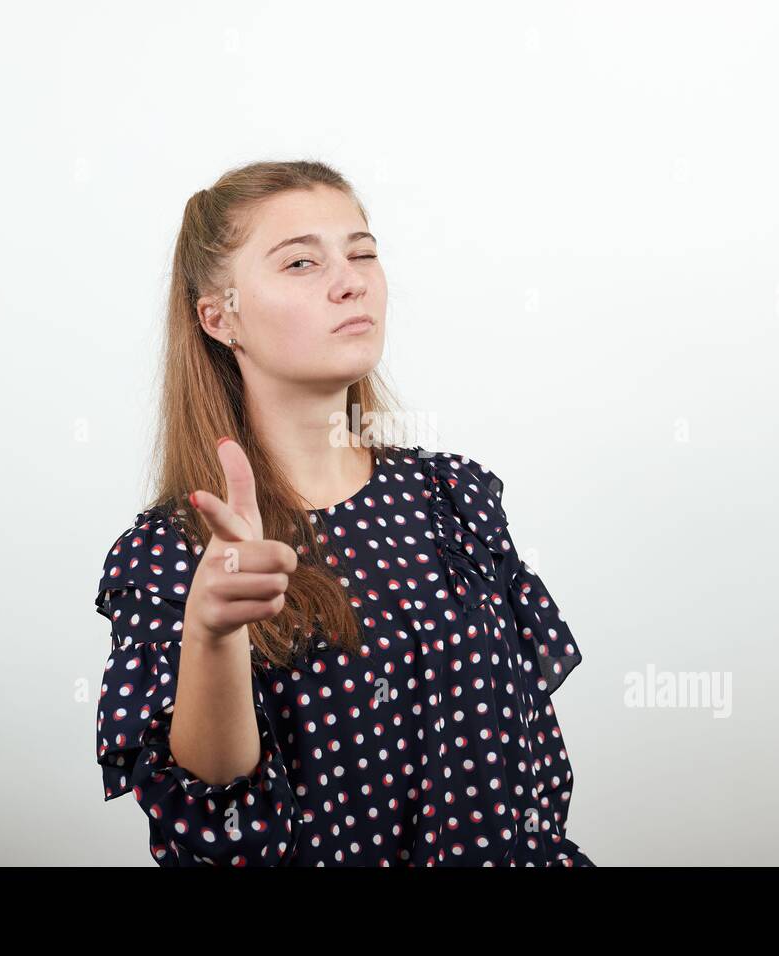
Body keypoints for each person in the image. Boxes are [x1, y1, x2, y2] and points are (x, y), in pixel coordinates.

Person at [93, 159, 591, 866]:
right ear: (218, 316)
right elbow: (216, 812)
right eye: (300, 262)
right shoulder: (171, 552)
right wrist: (211, 632)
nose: (351, 279)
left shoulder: (458, 501)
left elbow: (529, 774)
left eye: (362, 252)